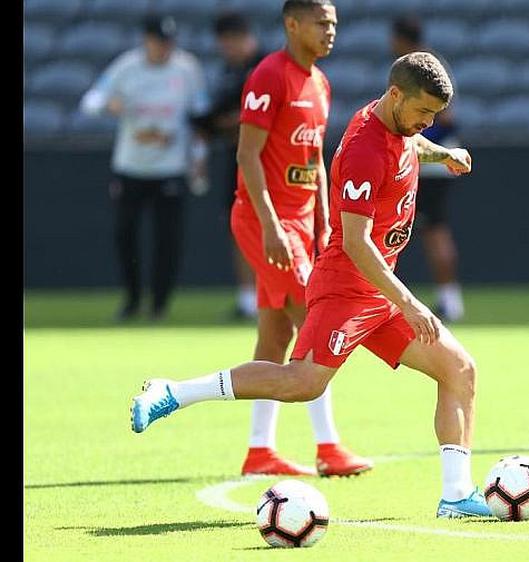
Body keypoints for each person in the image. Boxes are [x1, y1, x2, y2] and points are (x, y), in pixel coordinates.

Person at [131, 49, 492, 518]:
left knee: (460, 370)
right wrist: (408, 303)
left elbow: (410, 146)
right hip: (347, 287)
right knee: (300, 383)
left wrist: (443, 153)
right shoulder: (364, 147)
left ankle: (456, 495)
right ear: (396, 94)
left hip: (378, 293)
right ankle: (173, 392)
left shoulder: (398, 125)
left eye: (436, 115)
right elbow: (359, 244)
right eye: (423, 111)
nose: (428, 122)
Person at [206, 0, 372, 477]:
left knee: (276, 333)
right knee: (317, 324)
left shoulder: (319, 83)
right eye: (321, 23)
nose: (330, 32)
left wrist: (323, 218)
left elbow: (315, 157)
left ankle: (260, 451)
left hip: (301, 224)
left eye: (334, 24)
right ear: (291, 23)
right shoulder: (268, 75)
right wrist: (273, 225)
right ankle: (329, 447)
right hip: (267, 222)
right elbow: (248, 156)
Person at [80, 14, 210, 322]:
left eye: (168, 42)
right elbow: (92, 100)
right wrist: (109, 106)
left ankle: (159, 304)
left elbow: (200, 114)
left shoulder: (187, 68)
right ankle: (132, 298)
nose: (163, 48)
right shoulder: (126, 67)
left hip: (171, 167)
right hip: (131, 166)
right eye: (158, 41)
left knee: (168, 240)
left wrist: (198, 158)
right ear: (146, 40)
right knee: (125, 235)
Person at [390, 15, 465, 322]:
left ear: (399, 39)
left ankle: (450, 299)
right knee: (428, 231)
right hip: (425, 164)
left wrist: (410, 138)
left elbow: (447, 121)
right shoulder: (431, 63)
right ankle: (448, 298)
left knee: (433, 231)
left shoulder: (422, 68)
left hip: (429, 167)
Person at [195, 11, 266, 321]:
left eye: (229, 43)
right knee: (240, 227)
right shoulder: (229, 71)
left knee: (271, 226)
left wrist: (236, 120)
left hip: (267, 161)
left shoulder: (266, 67)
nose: (227, 50)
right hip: (237, 159)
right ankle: (248, 299)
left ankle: (273, 297)